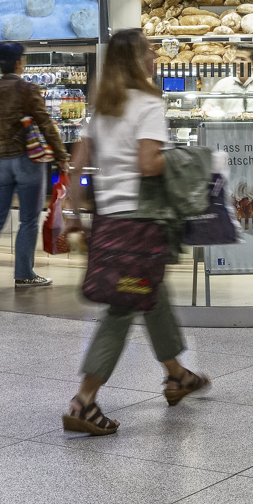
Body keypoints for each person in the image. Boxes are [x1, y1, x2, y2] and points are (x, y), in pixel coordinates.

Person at [61, 29, 207, 436]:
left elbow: (77, 164)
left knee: (150, 291)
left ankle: (177, 374)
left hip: (109, 218)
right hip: (140, 222)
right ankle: (83, 401)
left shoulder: (103, 107)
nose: (155, 56)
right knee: (125, 303)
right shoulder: (148, 103)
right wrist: (192, 159)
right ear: (136, 60)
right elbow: (148, 163)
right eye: (149, 51)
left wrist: (71, 213)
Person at [0, 41, 68, 290]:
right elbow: (45, 124)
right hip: (27, 160)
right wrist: (61, 155)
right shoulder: (26, 89)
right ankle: (24, 273)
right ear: (19, 62)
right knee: (29, 220)